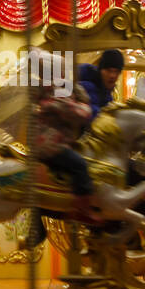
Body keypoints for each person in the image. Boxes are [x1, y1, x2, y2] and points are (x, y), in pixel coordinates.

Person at [31, 62, 95, 213]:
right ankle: (82, 207)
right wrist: (84, 108)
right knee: (80, 165)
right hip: (51, 143)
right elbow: (75, 113)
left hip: (51, 141)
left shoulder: (52, 91)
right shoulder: (56, 94)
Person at [76, 49, 124, 118]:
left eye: (116, 72)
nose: (112, 75)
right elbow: (94, 116)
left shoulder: (106, 94)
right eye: (109, 71)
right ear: (100, 70)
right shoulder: (87, 87)